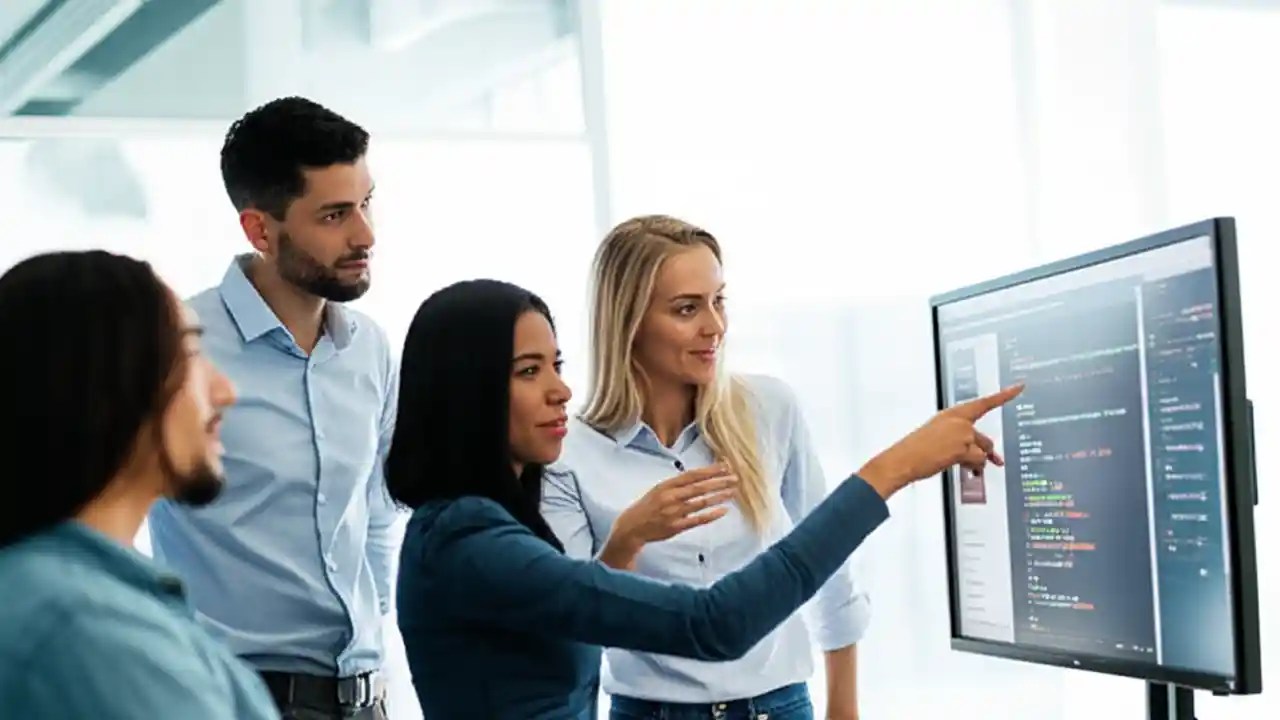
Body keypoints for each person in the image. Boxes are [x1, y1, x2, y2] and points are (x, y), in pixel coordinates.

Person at [388, 278, 1020, 719]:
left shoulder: (487, 528)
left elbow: (575, 615)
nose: (560, 391)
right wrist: (894, 468)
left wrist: (626, 543)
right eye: (529, 372)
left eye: (556, 364)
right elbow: (717, 624)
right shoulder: (470, 543)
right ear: (464, 396)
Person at [541, 214, 868, 718]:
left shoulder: (770, 409)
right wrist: (629, 536)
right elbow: (579, 623)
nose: (714, 326)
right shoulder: (568, 454)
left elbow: (829, 567)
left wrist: (843, 709)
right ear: (629, 323)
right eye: (686, 308)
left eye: (719, 301)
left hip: (779, 707)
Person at [149, 97, 399, 719]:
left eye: (367, 203)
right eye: (335, 215)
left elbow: (372, 513)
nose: (365, 234)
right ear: (261, 230)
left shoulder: (368, 347)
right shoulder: (177, 344)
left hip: (365, 698)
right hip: (233, 697)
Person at [0, 250, 278, 719]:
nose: (224, 391)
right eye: (191, 353)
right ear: (109, 378)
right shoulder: (86, 629)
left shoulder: (88, 602)